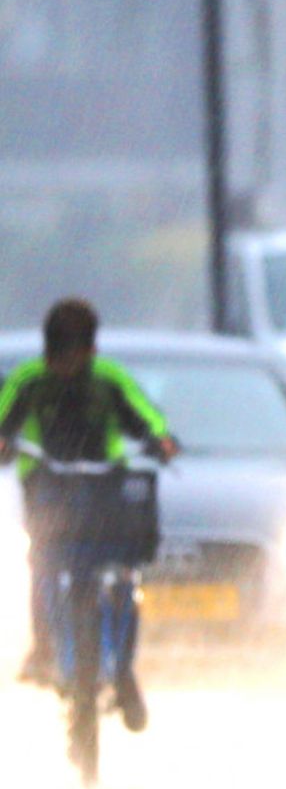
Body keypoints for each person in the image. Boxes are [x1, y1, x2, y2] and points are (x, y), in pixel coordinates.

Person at [0, 299, 178, 730]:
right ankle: (45, 650)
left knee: (120, 569)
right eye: (57, 359)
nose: (64, 367)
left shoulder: (108, 380)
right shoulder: (29, 380)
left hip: (104, 484)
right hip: (47, 484)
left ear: (91, 352)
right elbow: (5, 420)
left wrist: (161, 438)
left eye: (73, 358)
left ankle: (121, 669)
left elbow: (147, 417)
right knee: (43, 561)